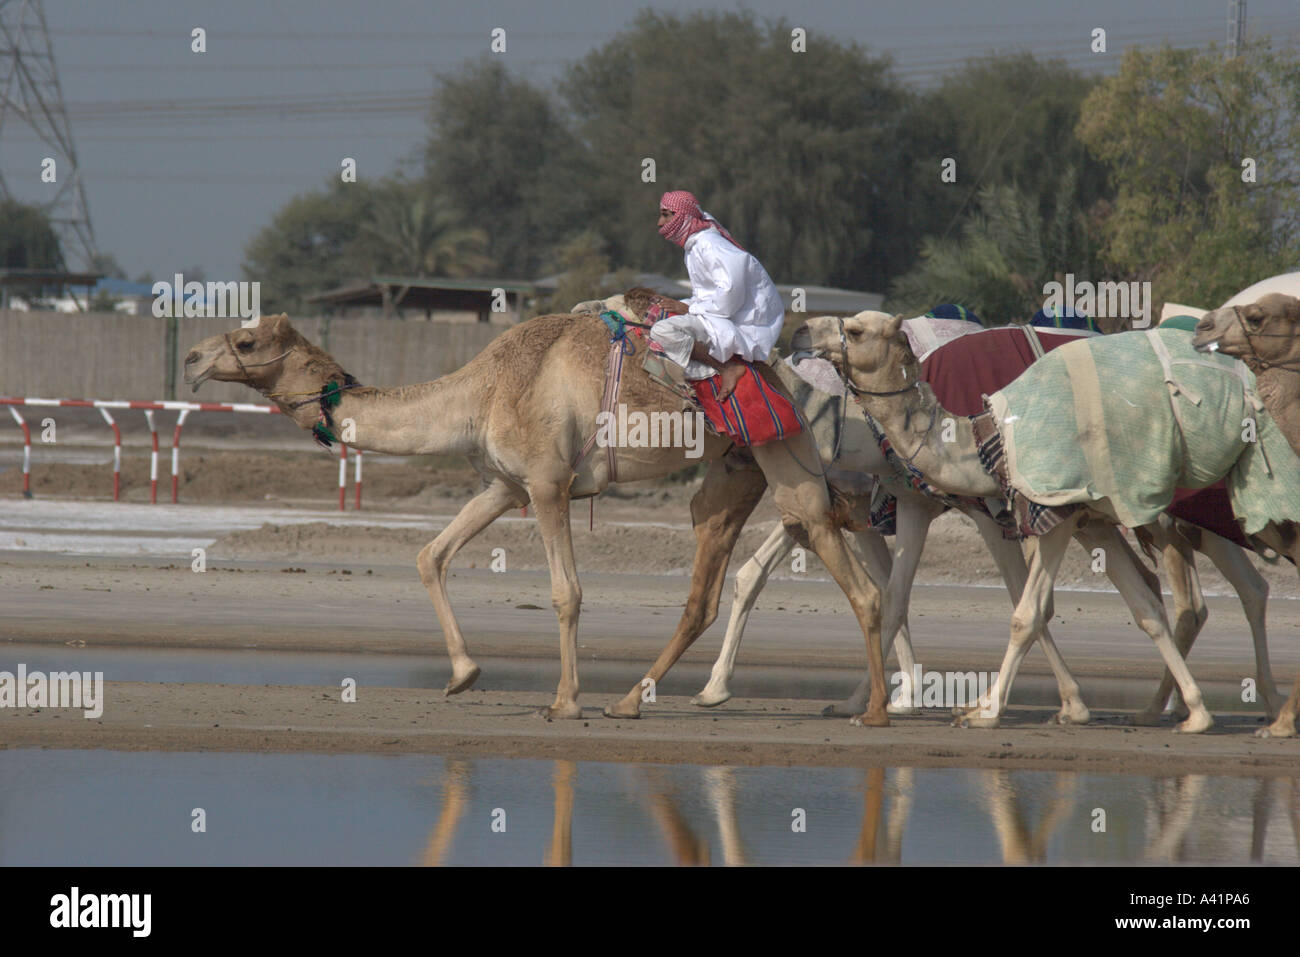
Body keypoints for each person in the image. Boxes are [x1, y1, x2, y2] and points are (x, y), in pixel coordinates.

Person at [648, 190, 785, 401]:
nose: (660, 222)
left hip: (741, 323)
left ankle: (727, 368)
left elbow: (730, 294)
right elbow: (708, 295)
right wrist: (684, 305)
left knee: (663, 330)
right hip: (720, 314)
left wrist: (689, 309)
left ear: (685, 216)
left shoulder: (709, 245)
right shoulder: (694, 246)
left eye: (667, 215)